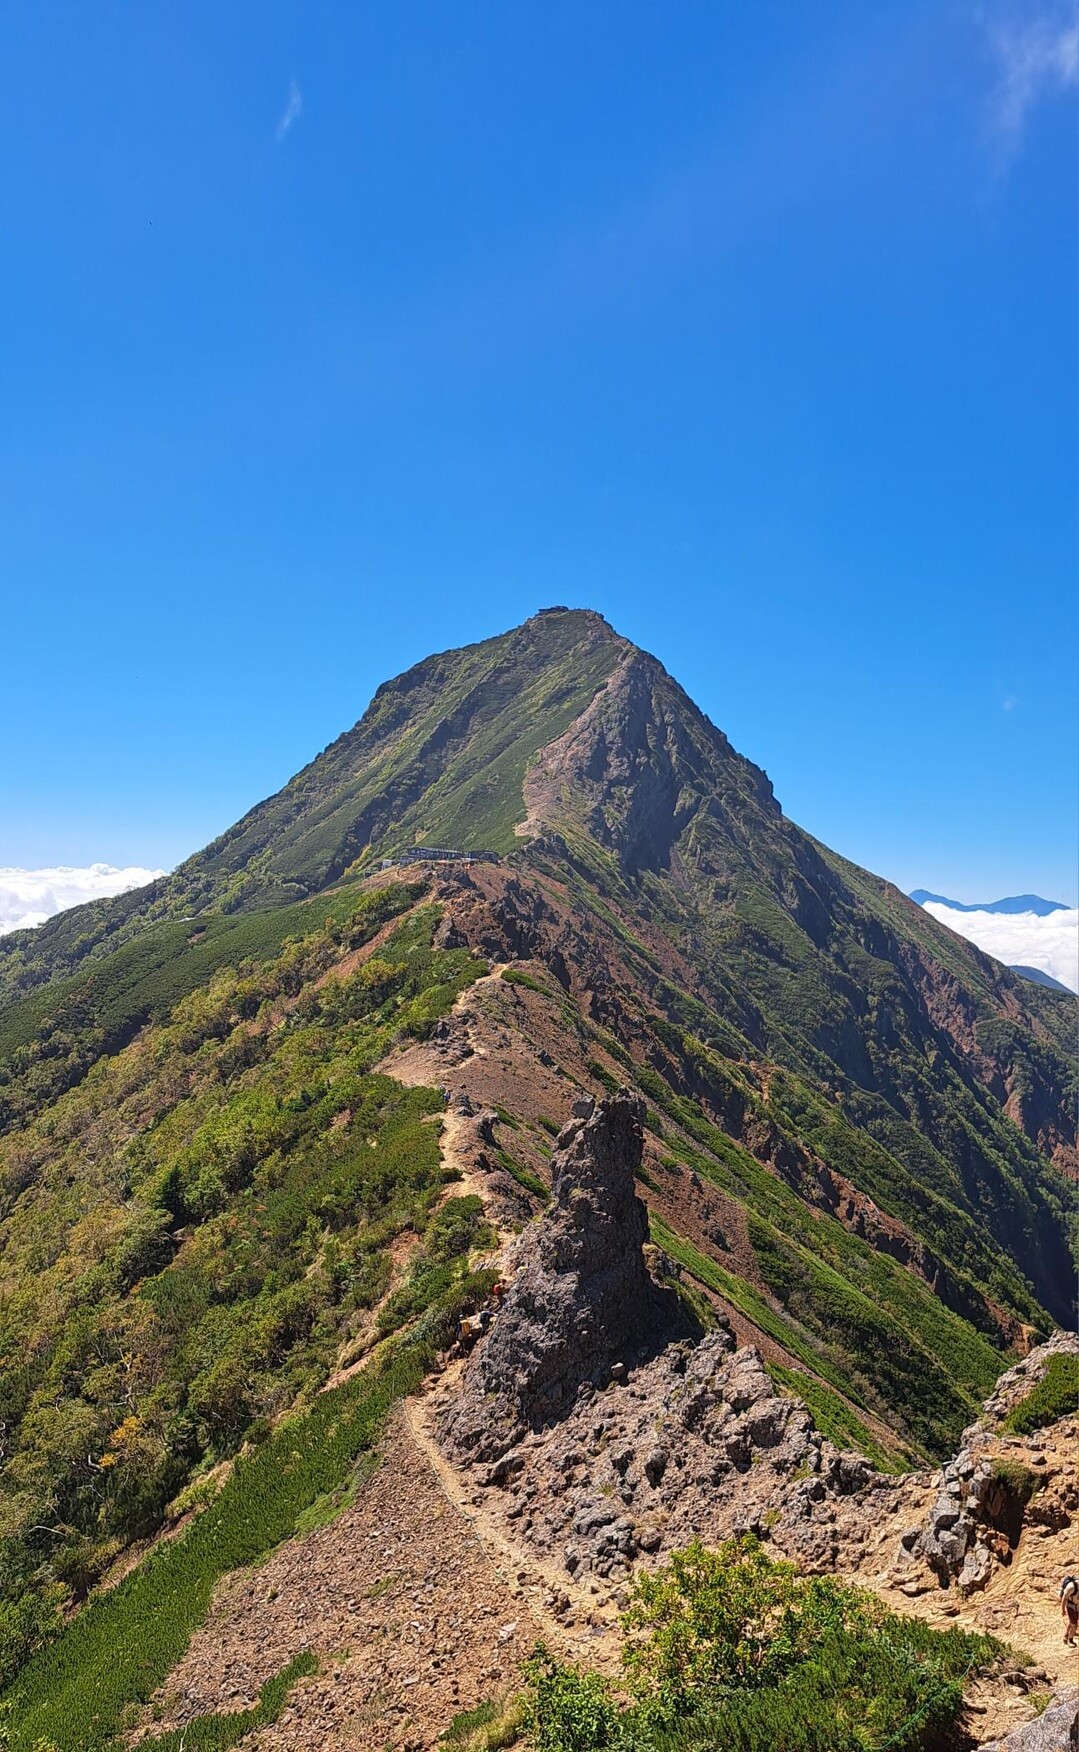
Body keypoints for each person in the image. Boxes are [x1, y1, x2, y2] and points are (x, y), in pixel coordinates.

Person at [1061, 1575, 1078, 1645]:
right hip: (1071, 1606)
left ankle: (1066, 1635)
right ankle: (1070, 1640)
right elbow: (1064, 1598)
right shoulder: (1072, 1587)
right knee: (1075, 1625)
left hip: (1077, 1605)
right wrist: (1063, 1610)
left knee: (1072, 1621)